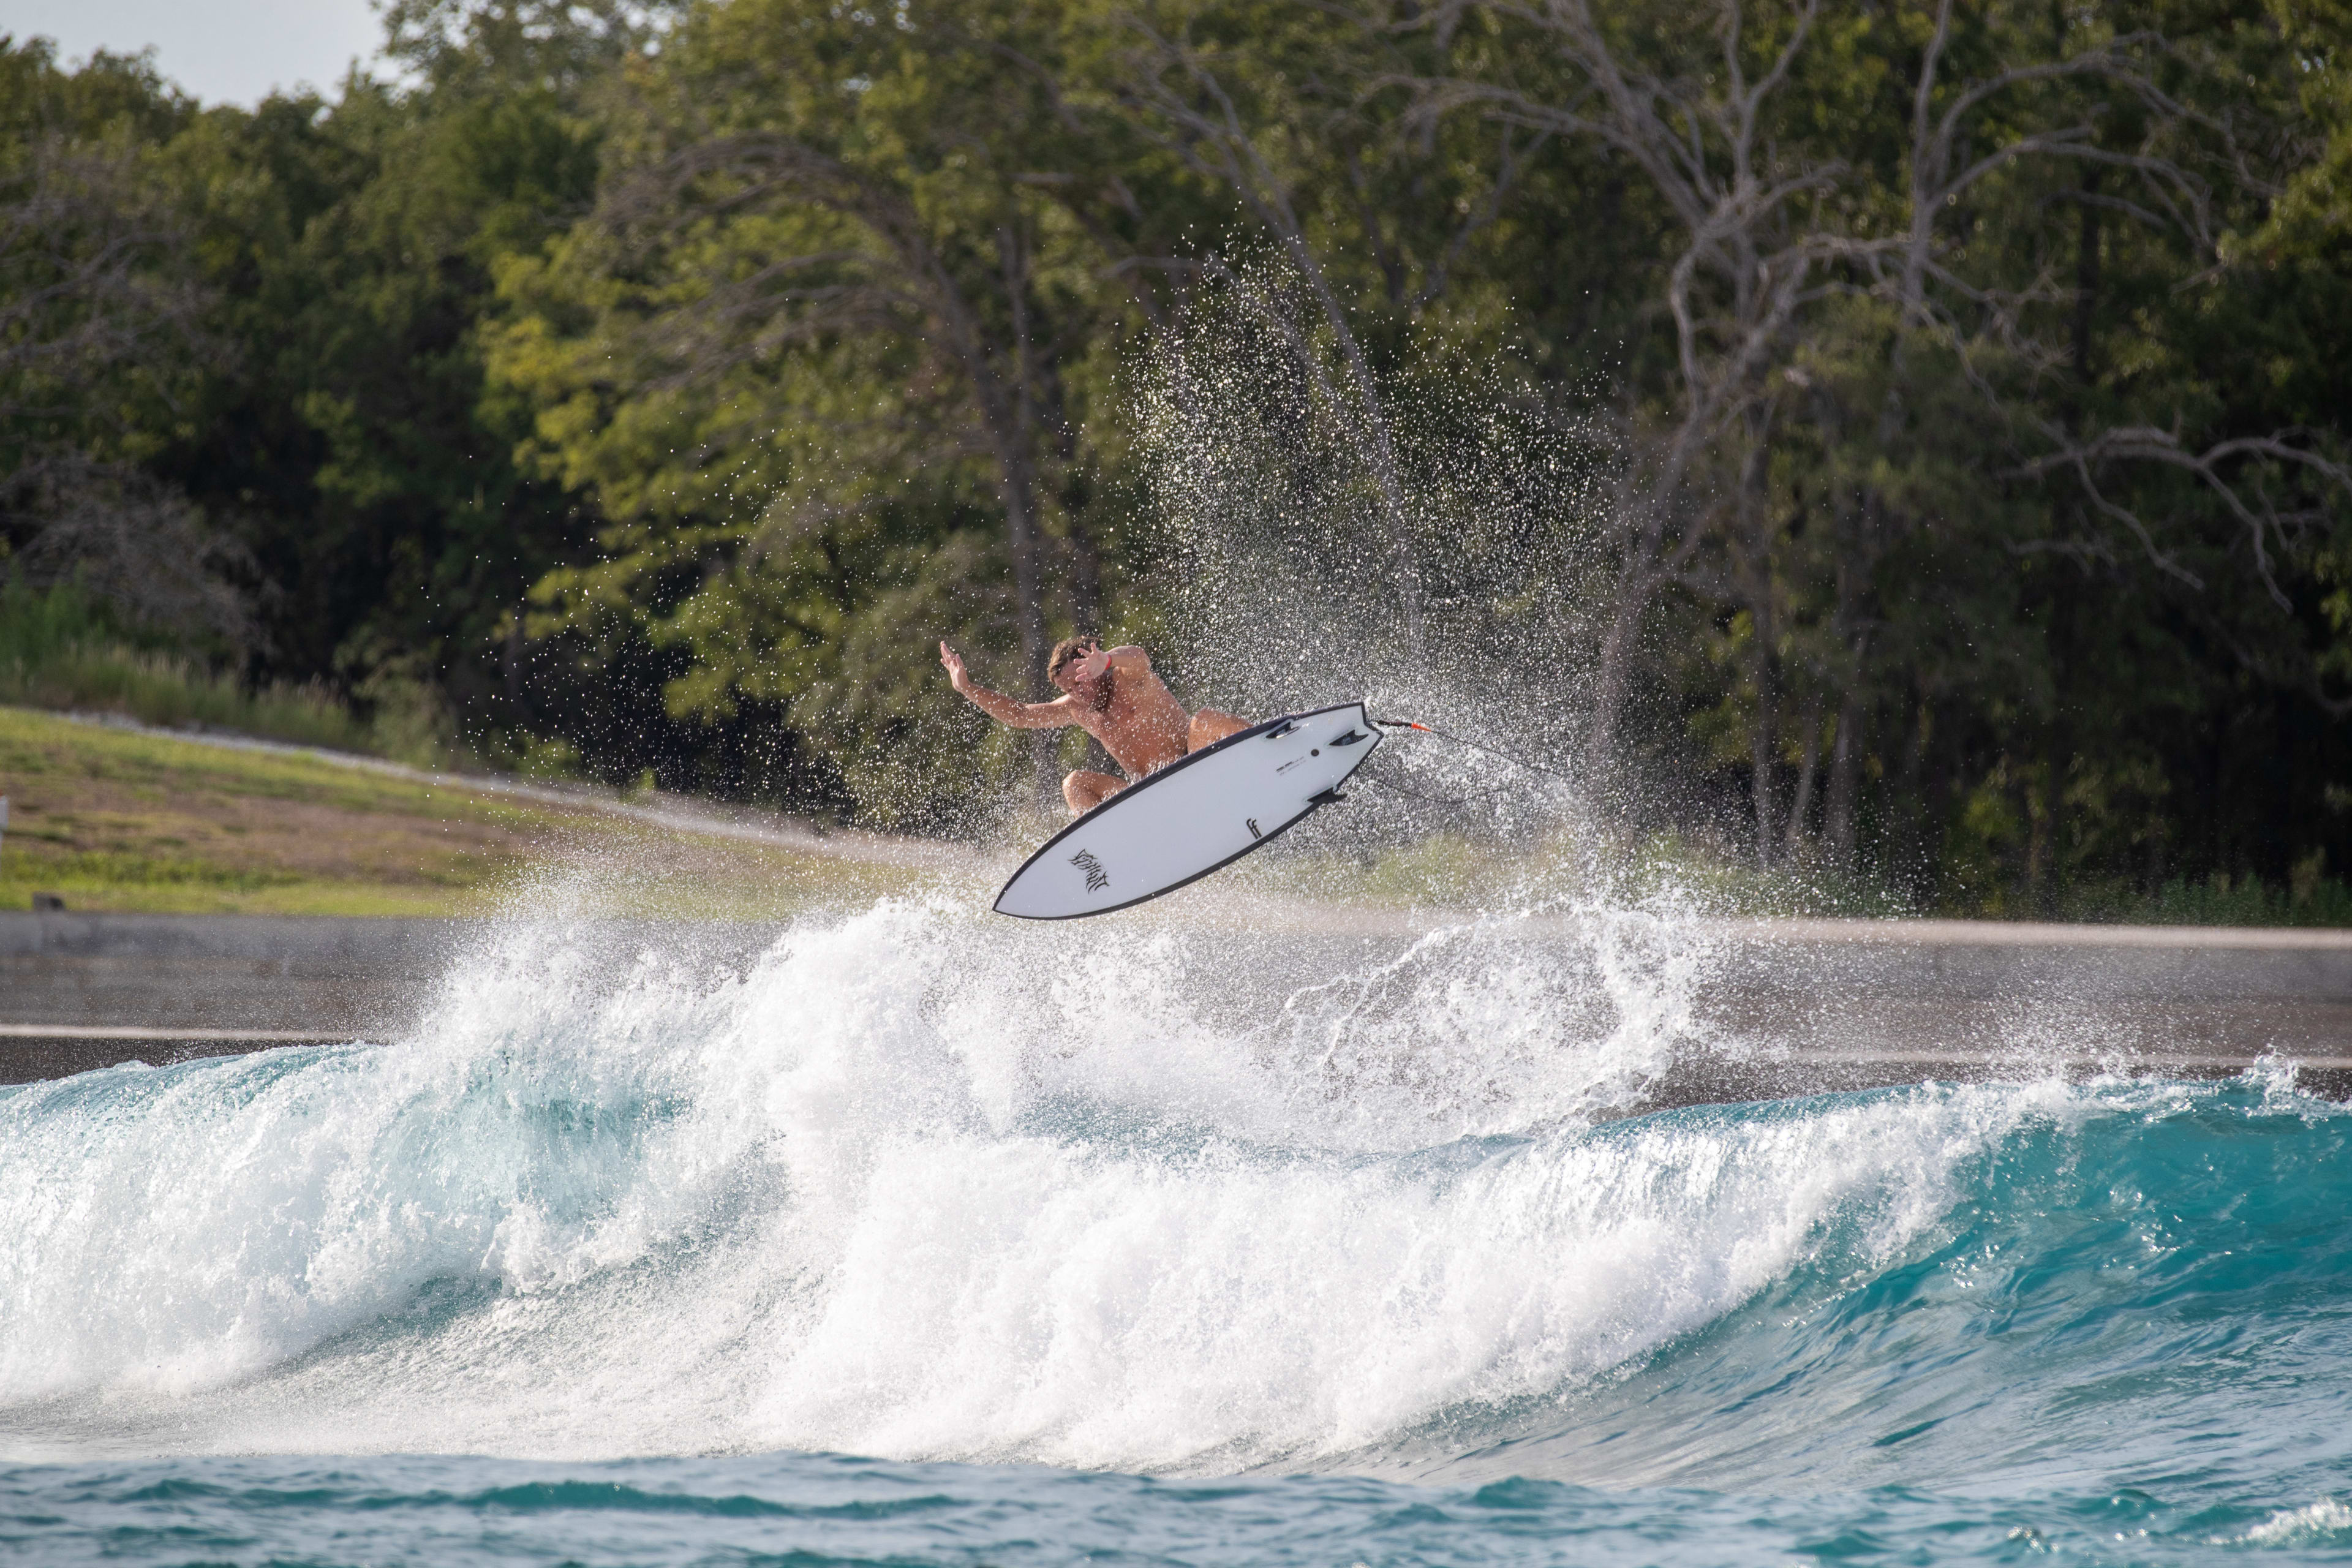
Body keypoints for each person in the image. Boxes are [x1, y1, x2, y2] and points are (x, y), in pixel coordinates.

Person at [940, 636, 1251, 815]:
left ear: (1095, 665)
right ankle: (1107, 857)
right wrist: (967, 688)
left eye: (1081, 681)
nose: (1077, 693)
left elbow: (1140, 657)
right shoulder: (1078, 710)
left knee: (1205, 720)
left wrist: (1108, 660)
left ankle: (1272, 746)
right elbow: (1021, 715)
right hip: (1150, 796)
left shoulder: (1130, 678)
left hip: (1196, 766)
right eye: (1069, 689)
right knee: (1074, 783)